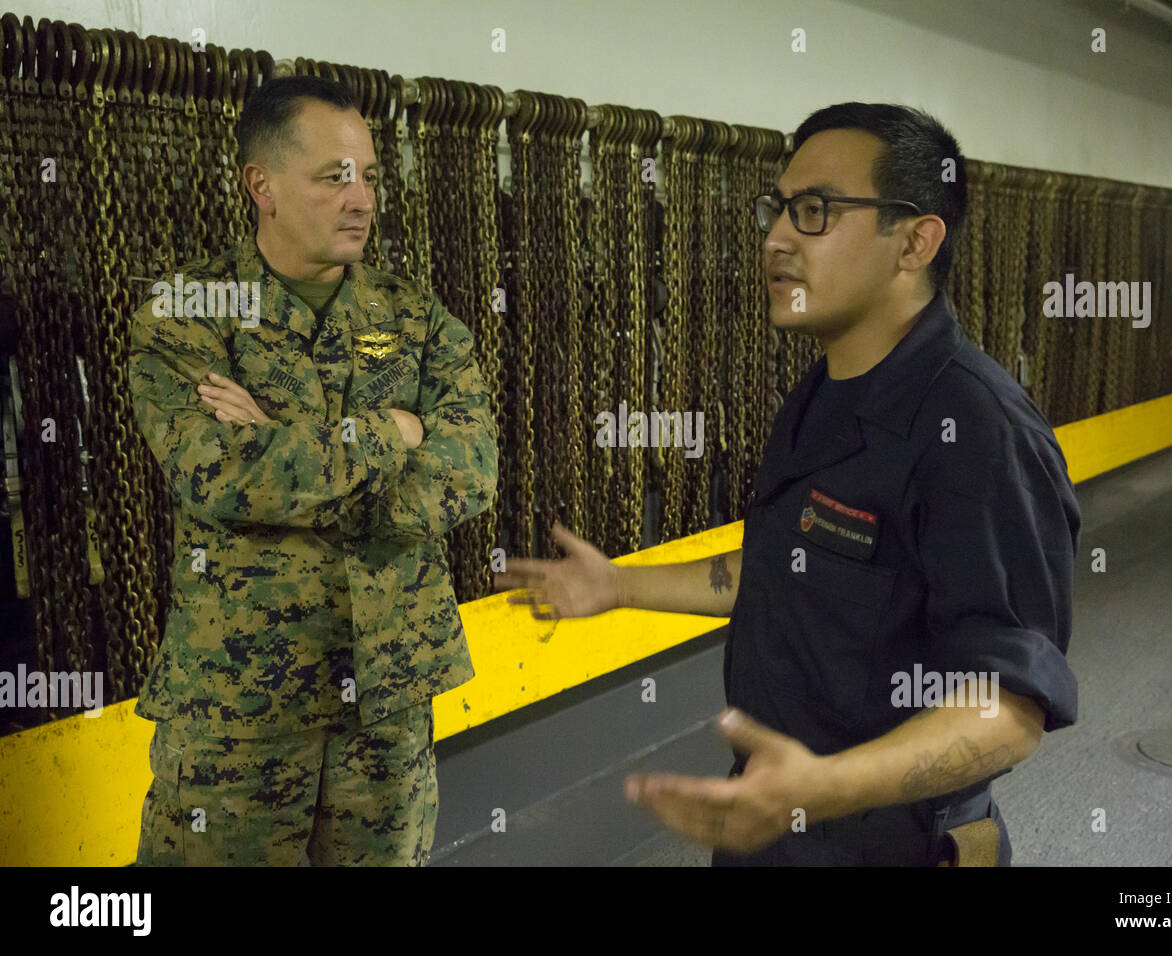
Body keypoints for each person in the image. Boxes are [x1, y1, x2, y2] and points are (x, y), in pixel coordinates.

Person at [496, 103, 1080, 866]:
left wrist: (821, 788)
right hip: (778, 815)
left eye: (815, 212)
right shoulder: (826, 389)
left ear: (915, 240)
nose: (774, 237)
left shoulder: (976, 431)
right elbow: (787, 568)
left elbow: (1009, 709)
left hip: (891, 840)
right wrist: (619, 585)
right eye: (778, 209)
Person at [129, 76, 498, 866]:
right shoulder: (188, 312)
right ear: (260, 185)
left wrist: (284, 444)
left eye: (368, 175)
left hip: (387, 705)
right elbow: (214, 476)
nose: (361, 197)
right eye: (335, 177)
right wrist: (390, 433)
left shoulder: (417, 319)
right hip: (241, 707)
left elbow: (467, 474)